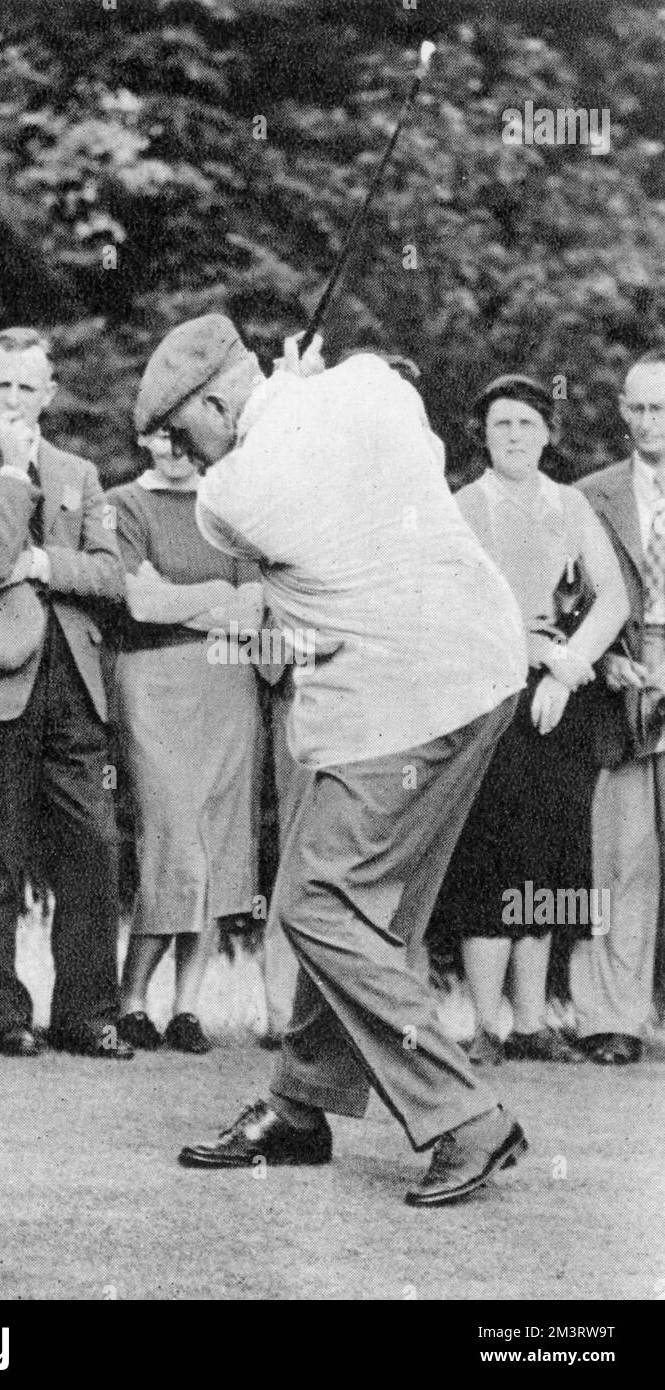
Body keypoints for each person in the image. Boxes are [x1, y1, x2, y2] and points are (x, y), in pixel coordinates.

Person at [133, 313, 531, 1208]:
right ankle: (302, 1103)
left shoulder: (231, 495)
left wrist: (287, 402)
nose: (178, 450)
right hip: (481, 669)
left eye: (179, 427)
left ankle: (465, 1116)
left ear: (215, 397)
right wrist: (307, 388)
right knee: (363, 906)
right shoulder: (366, 386)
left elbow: (232, 510)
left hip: (404, 705)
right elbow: (392, 410)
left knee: (316, 904)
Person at [0, 327, 132, 1059]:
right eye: (2, 385)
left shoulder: (81, 472)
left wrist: (43, 560)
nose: (15, 400)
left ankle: (86, 1015)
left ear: (49, 393)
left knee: (93, 845)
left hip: (73, 680)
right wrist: (13, 476)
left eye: (29, 387)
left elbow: (113, 577)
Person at [430, 375, 629, 1064]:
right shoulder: (463, 507)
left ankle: (528, 1020)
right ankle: (484, 1024)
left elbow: (612, 601)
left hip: (559, 704)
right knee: (490, 854)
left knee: (546, 858)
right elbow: (456, 607)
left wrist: (567, 667)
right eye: (500, 425)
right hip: (489, 695)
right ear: (482, 435)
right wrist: (533, 653)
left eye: (526, 423)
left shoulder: (568, 504)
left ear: (547, 433)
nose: (514, 436)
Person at [106, 429, 264, 1053]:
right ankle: (132, 1000)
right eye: (161, 435)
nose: (173, 448)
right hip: (154, 681)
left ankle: (188, 1007)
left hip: (228, 685)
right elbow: (138, 604)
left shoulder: (228, 508)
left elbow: (251, 612)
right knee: (172, 839)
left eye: (184, 435)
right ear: (144, 436)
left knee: (218, 840)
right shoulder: (124, 505)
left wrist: (181, 597)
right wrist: (215, 595)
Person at [569, 349, 665, 1063]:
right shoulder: (589, 496)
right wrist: (600, 659)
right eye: (634, 407)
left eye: (658, 408)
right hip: (624, 687)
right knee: (620, 858)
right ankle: (612, 1019)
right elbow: (563, 600)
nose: (645, 421)